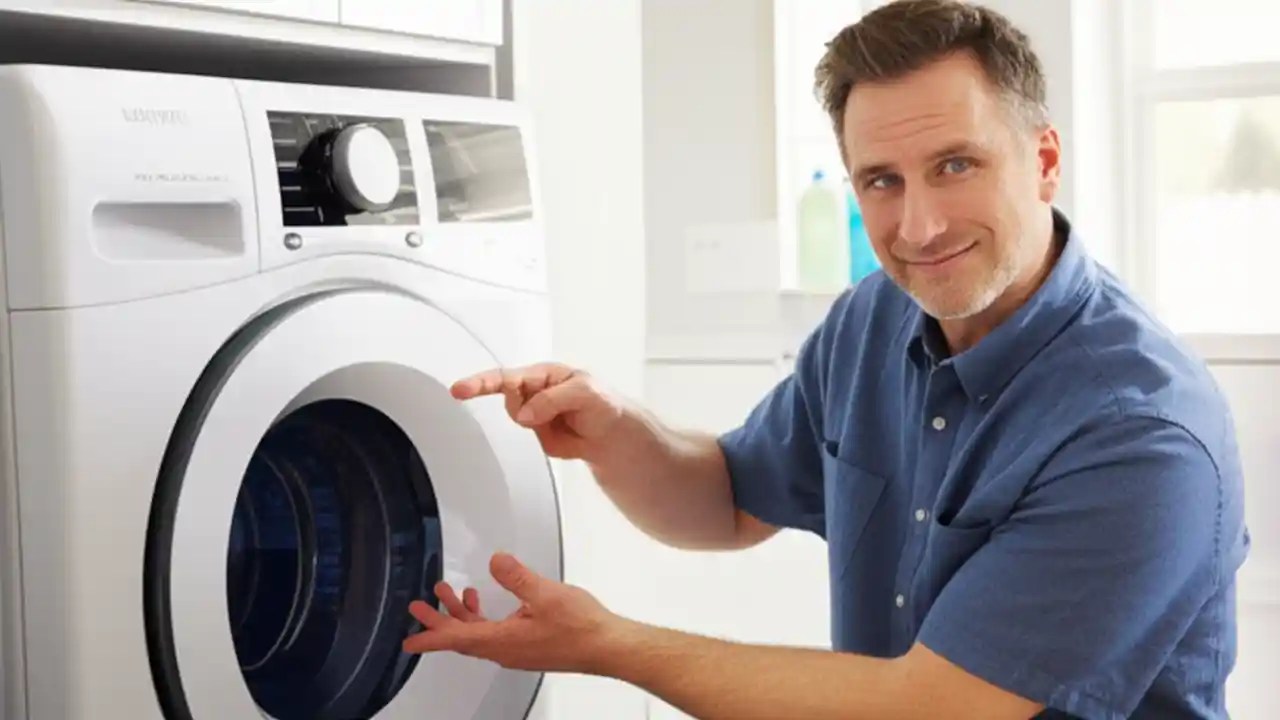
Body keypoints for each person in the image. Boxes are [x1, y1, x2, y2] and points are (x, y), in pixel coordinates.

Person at [402, 1, 1251, 717]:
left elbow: (934, 708)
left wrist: (610, 646)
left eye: (955, 166)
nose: (918, 227)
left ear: (1044, 162)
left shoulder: (1141, 431)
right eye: (881, 180)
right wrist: (617, 431)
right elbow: (727, 504)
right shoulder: (875, 319)